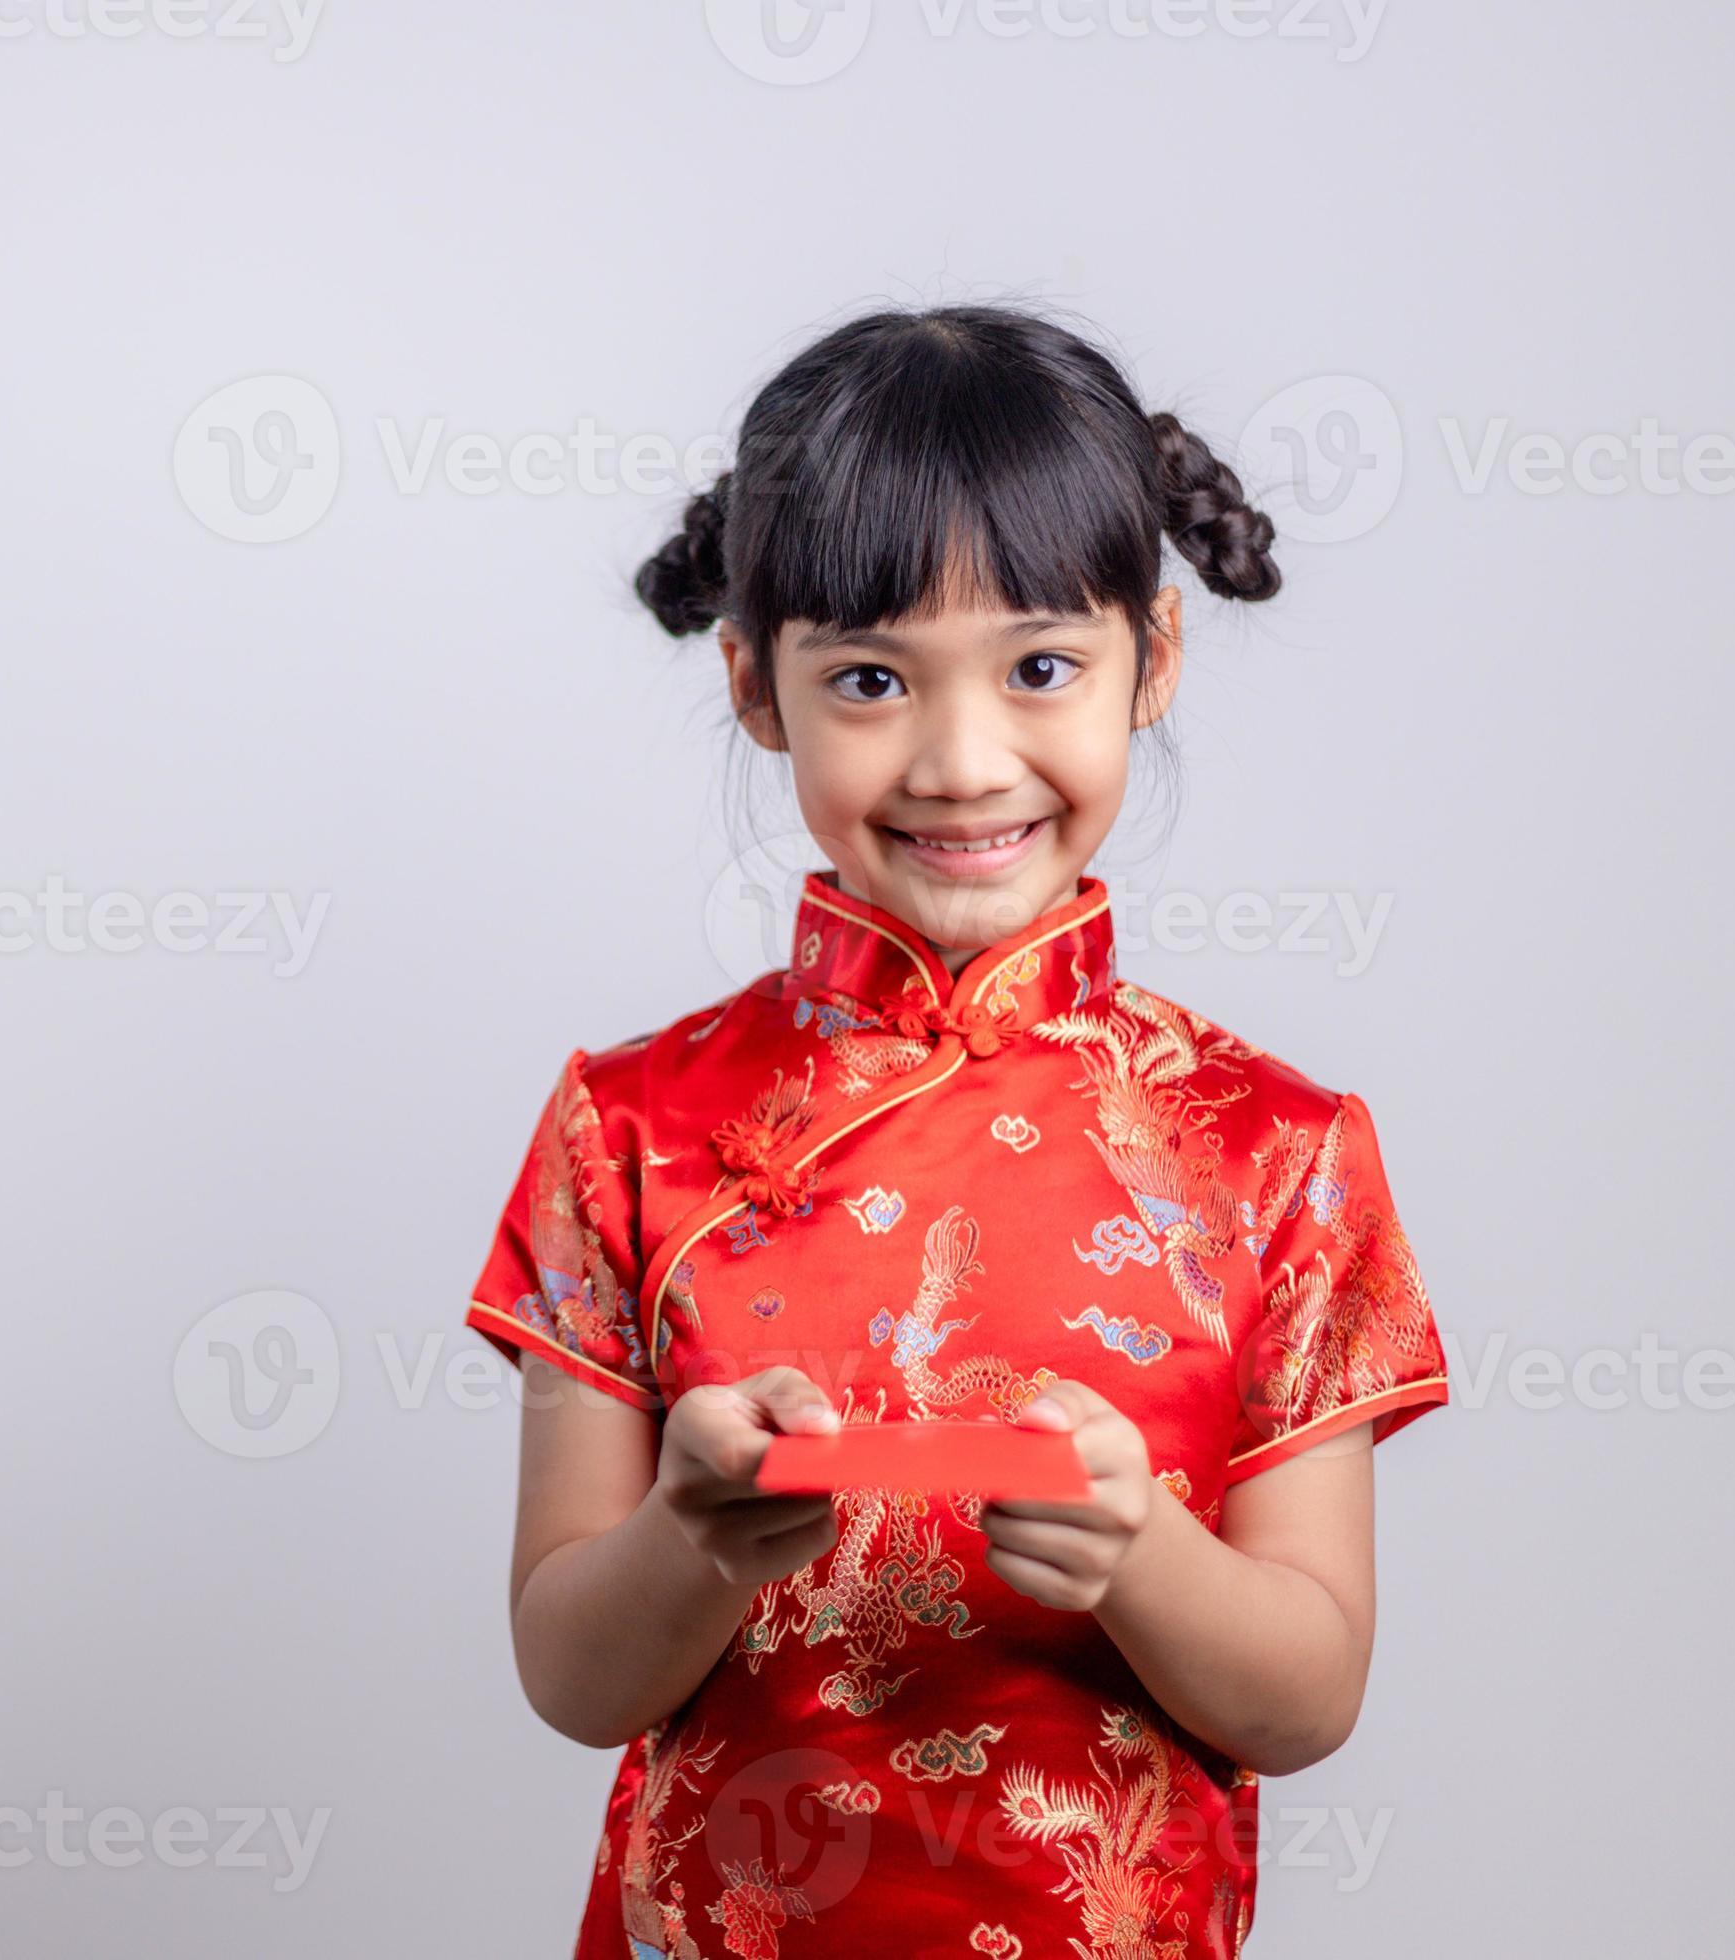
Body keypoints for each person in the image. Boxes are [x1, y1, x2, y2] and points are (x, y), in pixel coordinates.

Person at [464, 303, 1450, 1959]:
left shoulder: (1278, 1149)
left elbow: (1307, 1698)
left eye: (1041, 667)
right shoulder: (624, 1130)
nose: (962, 758)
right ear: (753, 687)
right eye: (868, 679)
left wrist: (1144, 1556)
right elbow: (571, 1676)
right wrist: (686, 1540)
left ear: (1158, 655)